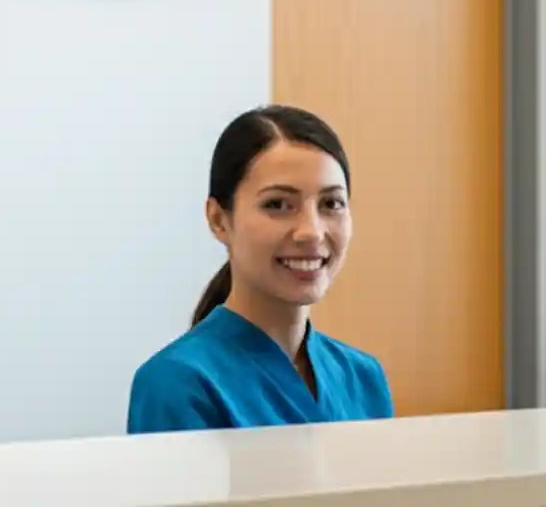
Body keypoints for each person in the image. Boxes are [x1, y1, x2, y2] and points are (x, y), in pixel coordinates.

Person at [126, 104, 394, 435]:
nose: (311, 231)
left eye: (331, 204)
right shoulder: (177, 384)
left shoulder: (363, 378)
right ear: (218, 220)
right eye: (278, 205)